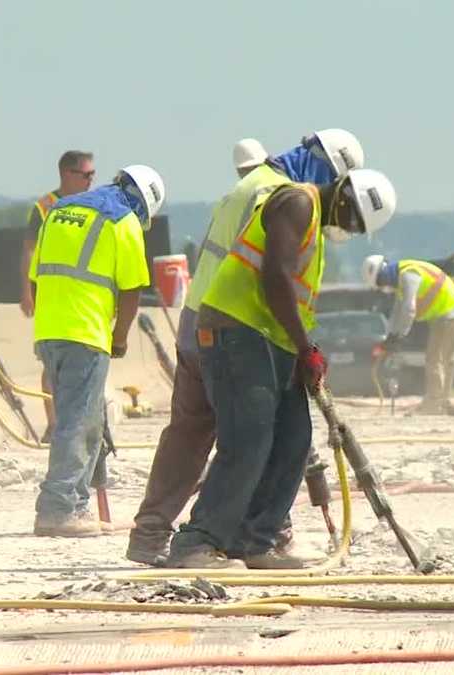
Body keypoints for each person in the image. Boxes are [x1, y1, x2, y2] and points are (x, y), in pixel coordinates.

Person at [126, 130, 364, 565]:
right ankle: (253, 535)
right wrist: (299, 347)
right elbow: (275, 274)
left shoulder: (251, 185)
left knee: (195, 432)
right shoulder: (285, 196)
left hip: (203, 316)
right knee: (255, 433)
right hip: (242, 325)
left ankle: (151, 533)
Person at [162, 167, 397, 570]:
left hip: (270, 338)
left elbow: (293, 297)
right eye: (353, 219)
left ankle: (253, 540)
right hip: (236, 331)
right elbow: (275, 278)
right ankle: (196, 542)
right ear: (342, 195)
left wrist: (303, 349)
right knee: (248, 439)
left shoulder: (315, 230)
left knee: (294, 438)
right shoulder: (297, 202)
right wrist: (304, 348)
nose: (350, 228)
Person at [28, 164, 164, 537]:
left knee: (79, 420)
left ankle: (77, 505)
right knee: (78, 422)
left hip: (50, 328)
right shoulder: (123, 221)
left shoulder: (59, 211)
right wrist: (119, 338)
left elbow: (37, 275)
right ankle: (57, 509)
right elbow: (132, 288)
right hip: (85, 330)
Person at [19, 150, 95, 442]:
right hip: (49, 293)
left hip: (81, 295)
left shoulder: (92, 205)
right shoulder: (45, 207)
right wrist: (26, 290)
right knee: (50, 362)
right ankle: (53, 425)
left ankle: (75, 424)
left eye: (92, 175)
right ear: (67, 174)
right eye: (86, 175)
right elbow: (28, 248)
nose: (91, 181)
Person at [363, 256, 454, 413]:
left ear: (383, 273)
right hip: (439, 314)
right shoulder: (400, 281)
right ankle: (435, 401)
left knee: (444, 358)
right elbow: (397, 312)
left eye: (381, 282)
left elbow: (409, 309)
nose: (384, 287)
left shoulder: (409, 274)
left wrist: (400, 336)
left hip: (451, 310)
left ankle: (440, 403)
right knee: (433, 359)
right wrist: (390, 337)